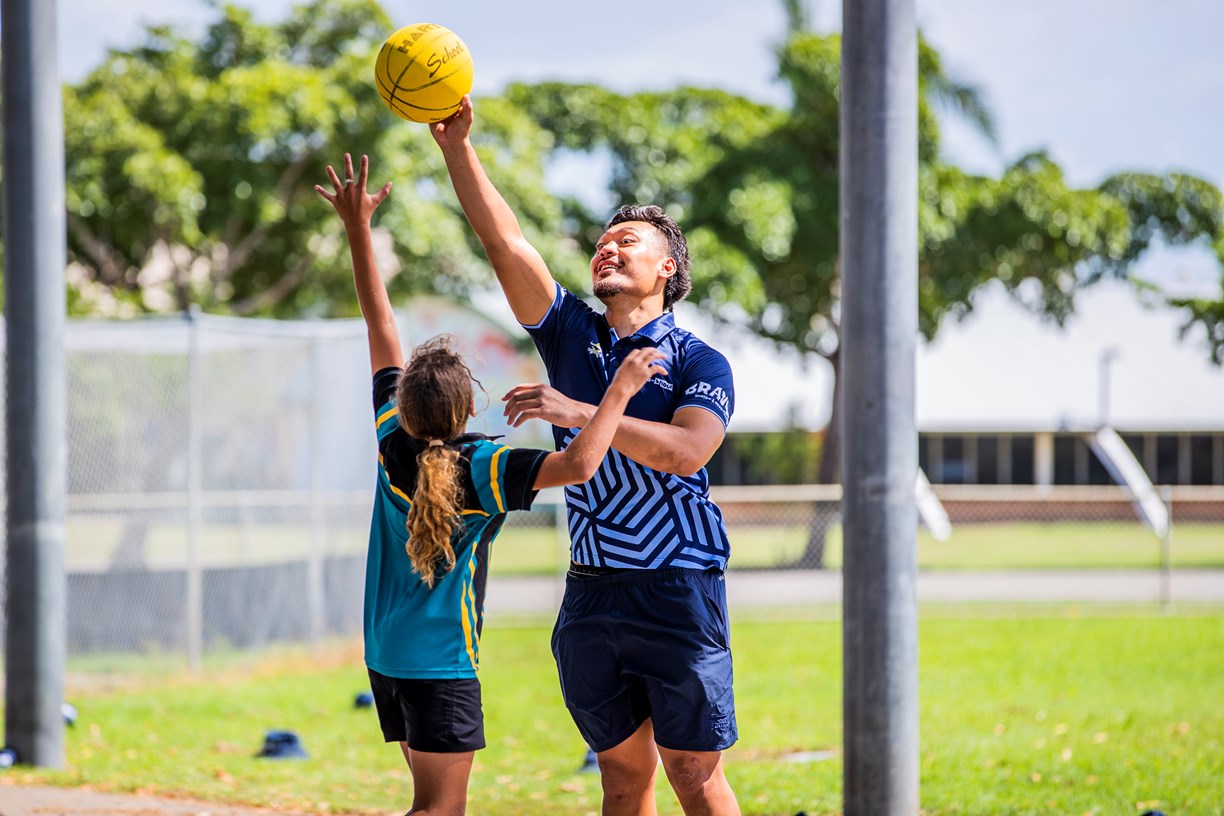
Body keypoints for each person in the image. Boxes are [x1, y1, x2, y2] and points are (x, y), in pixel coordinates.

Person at [315, 153, 666, 816]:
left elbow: (380, 326)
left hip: (385, 655)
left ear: (405, 406)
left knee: (427, 802)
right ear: (468, 407)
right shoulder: (483, 465)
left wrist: (358, 230)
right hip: (441, 662)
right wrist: (618, 392)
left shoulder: (392, 439)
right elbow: (580, 466)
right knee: (439, 810)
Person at [430, 99, 741, 816]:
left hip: (677, 585)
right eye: (602, 242)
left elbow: (688, 451)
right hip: (592, 591)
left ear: (666, 268)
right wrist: (456, 149)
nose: (608, 249)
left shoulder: (699, 361)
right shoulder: (571, 334)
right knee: (622, 779)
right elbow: (505, 242)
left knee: (694, 775)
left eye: (627, 241)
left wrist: (582, 414)